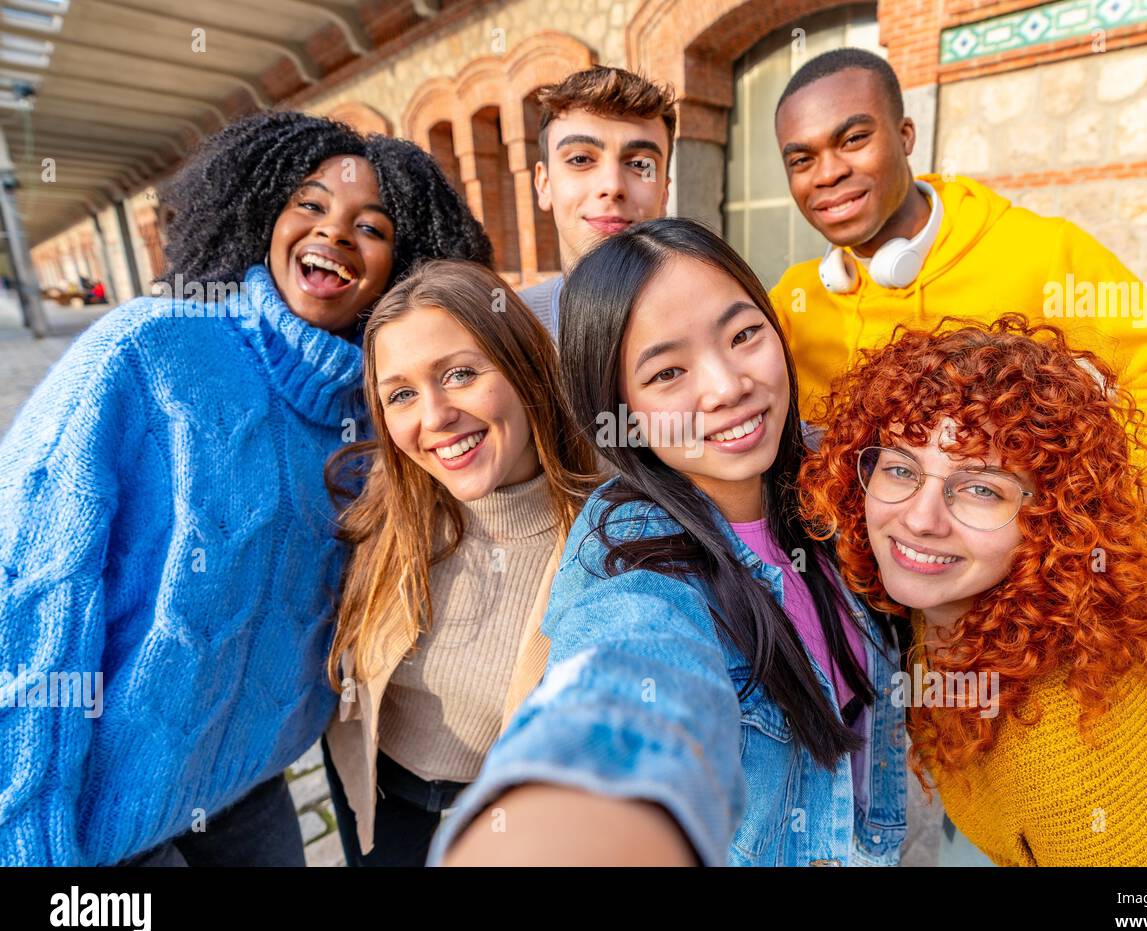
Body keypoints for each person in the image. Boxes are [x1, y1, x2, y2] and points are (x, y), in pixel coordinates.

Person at [0, 110, 492, 866]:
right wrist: (26, 832)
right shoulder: (147, 351)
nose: (334, 234)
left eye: (373, 226)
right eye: (310, 204)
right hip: (94, 822)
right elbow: (32, 597)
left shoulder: (386, 418)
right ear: (263, 213)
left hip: (247, 794)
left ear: (403, 263)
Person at [431, 217, 907, 867]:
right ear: (616, 406)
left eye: (743, 335)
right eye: (667, 373)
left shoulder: (842, 477)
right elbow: (631, 665)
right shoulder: (628, 553)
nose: (727, 386)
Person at [799, 316, 1147, 865]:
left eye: (982, 489)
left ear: (1054, 520)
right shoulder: (941, 602)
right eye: (900, 468)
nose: (920, 520)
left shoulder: (1078, 754)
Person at [770, 48, 1147, 460]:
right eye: (802, 160)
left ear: (905, 135)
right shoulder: (795, 296)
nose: (827, 173)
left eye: (853, 139)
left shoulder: (1042, 251)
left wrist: (1072, 490)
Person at [319, 259, 600, 866]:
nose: (434, 416)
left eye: (462, 374)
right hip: (378, 793)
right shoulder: (389, 509)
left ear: (526, 370)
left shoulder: (606, 534)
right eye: (401, 394)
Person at [516, 65, 676, 339]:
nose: (612, 186)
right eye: (580, 159)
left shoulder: (711, 320)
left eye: (640, 164)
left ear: (663, 194)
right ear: (544, 184)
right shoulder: (508, 332)